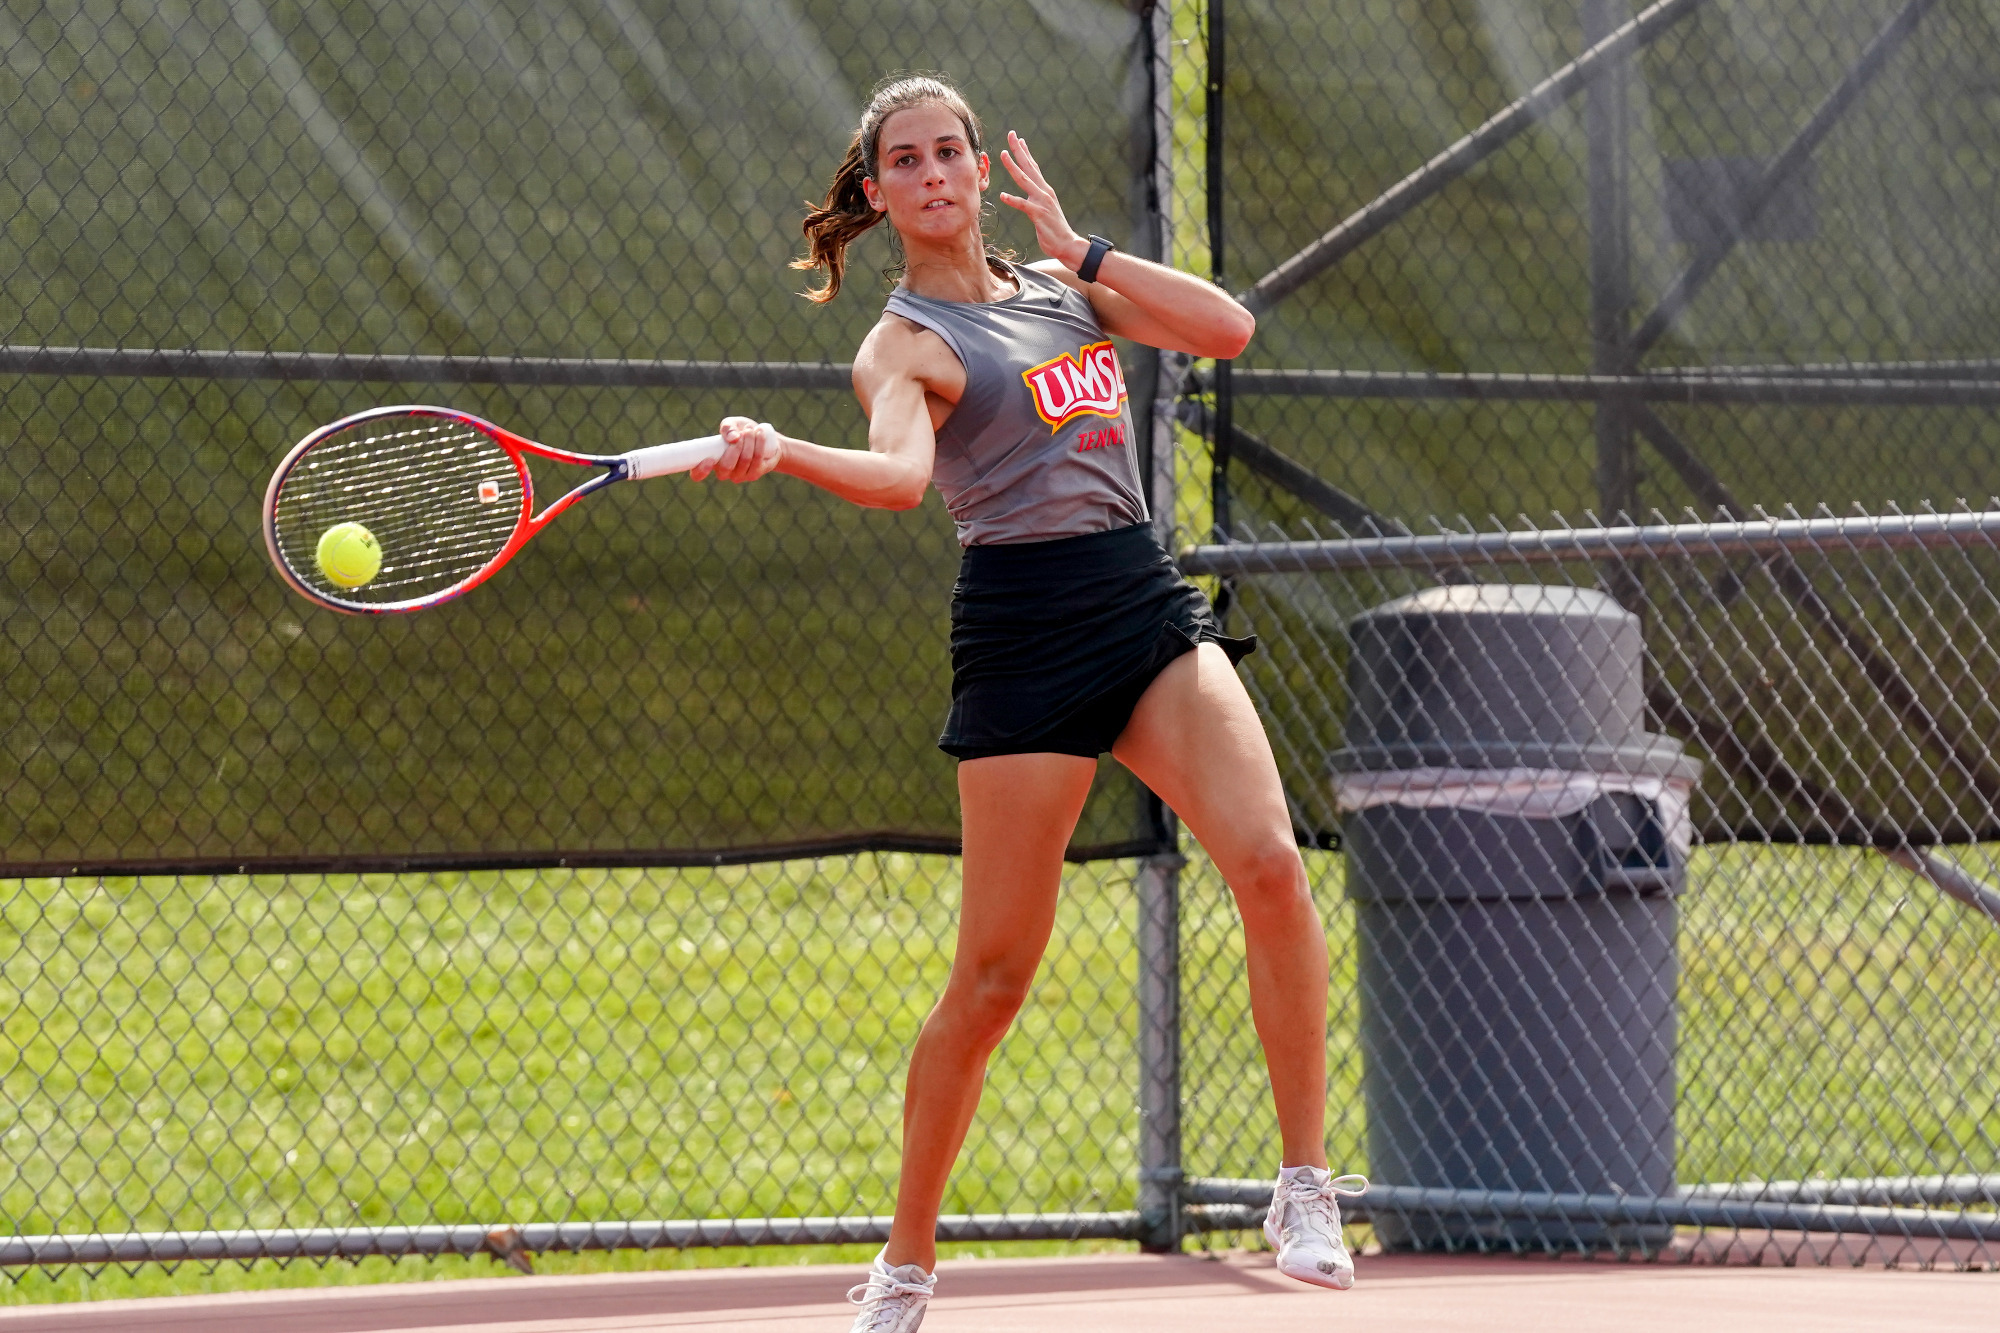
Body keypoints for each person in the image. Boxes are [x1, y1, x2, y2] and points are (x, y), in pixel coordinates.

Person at [692, 74, 1366, 1333]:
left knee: (1270, 862)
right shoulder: (900, 344)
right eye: (909, 159)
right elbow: (900, 480)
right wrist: (781, 450)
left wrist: (1085, 248)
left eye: (952, 149)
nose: (938, 172)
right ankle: (904, 1259)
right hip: (1021, 634)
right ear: (879, 192)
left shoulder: (1063, 290)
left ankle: (1303, 1185)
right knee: (995, 977)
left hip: (1140, 601)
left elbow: (1225, 329)